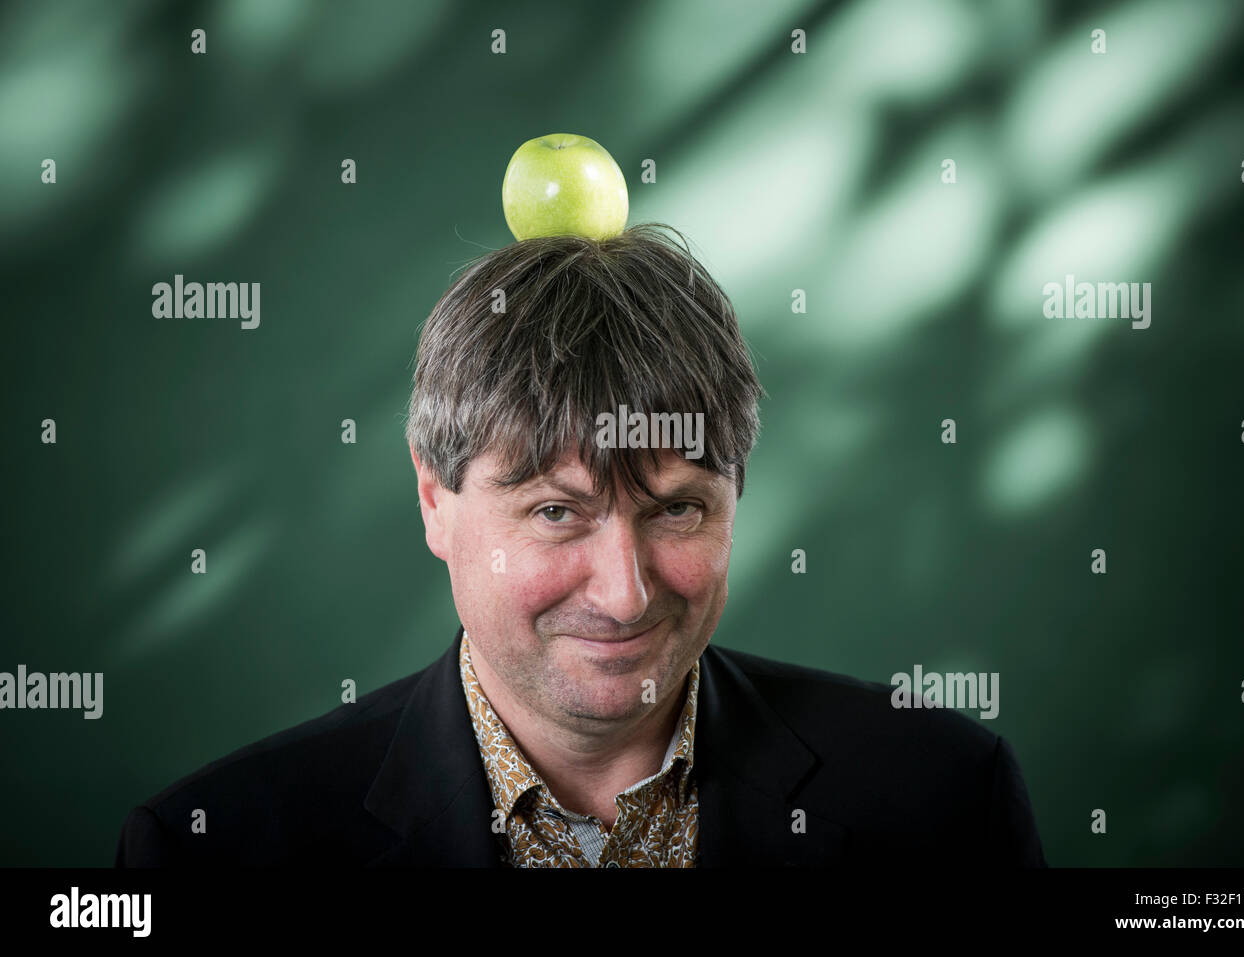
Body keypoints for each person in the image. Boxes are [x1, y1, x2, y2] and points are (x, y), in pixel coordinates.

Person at [115, 224, 1047, 867]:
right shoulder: (211, 849)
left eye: (678, 510)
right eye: (558, 512)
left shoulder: (946, 802)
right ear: (435, 498)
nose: (626, 593)